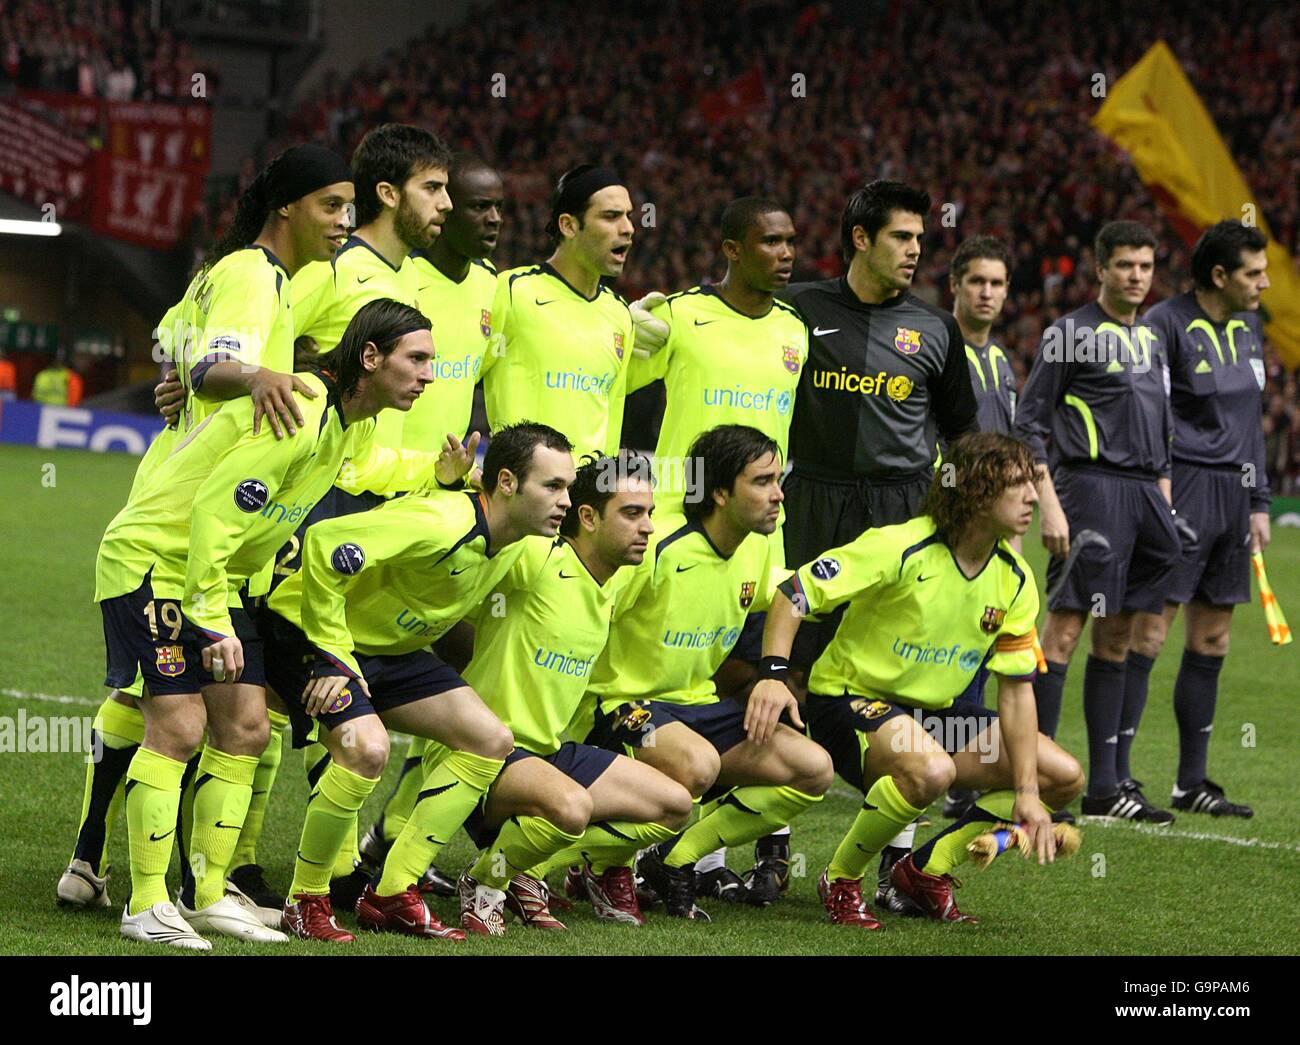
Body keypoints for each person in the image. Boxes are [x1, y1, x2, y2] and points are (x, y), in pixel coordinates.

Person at [57, 144, 355, 917]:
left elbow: (175, 350)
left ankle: (182, 883)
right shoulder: (256, 276)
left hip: (196, 517)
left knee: (228, 719)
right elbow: (209, 367)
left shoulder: (237, 277)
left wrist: (186, 377)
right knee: (179, 717)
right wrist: (248, 375)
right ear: (287, 206)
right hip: (182, 525)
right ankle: (152, 897)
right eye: (331, 205)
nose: (343, 221)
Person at [98, 298, 441, 948]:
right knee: (178, 722)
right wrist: (210, 614)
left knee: (248, 728)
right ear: (370, 357)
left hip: (215, 574)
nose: (429, 374)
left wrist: (440, 470)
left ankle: (203, 893)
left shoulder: (348, 424)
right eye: (417, 358)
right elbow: (215, 512)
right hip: (156, 559)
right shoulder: (304, 409)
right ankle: (145, 902)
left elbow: (360, 480)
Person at [262, 422, 576, 942]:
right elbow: (324, 542)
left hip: (392, 651)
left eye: (567, 487)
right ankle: (305, 900)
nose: (564, 500)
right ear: (505, 483)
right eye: (552, 486)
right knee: (367, 749)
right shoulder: (443, 520)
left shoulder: (522, 542)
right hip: (309, 632)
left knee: (490, 740)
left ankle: (392, 892)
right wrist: (333, 653)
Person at [754, 432, 1084, 927]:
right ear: (974, 490)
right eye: (1017, 484)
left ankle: (924, 872)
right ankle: (841, 879)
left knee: (1062, 777)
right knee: (932, 771)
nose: (1033, 497)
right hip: (848, 702)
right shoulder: (900, 545)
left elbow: (1016, 692)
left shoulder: (1014, 577)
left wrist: (1027, 792)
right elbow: (796, 591)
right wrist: (775, 675)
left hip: (935, 716)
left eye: (1032, 483)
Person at [625, 196, 806, 902]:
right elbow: (619, 382)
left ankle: (702, 854)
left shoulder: (795, 331)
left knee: (763, 687)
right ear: (732, 248)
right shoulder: (677, 315)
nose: (787, 252)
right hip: (680, 529)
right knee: (670, 682)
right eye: (771, 240)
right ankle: (615, 833)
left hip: (764, 541)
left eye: (792, 239)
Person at [587, 424, 834, 921]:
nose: (778, 494)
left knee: (814, 769)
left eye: (778, 479)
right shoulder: (660, 546)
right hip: (625, 705)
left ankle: (672, 860)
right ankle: (598, 859)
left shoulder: (755, 547)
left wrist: (773, 673)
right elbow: (592, 612)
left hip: (697, 705)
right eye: (762, 482)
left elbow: (793, 593)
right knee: (699, 766)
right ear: (720, 492)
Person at [455, 453, 694, 934]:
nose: (647, 527)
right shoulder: (538, 557)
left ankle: (530, 868)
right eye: (631, 513)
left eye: (650, 513)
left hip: (547, 753)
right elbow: (478, 546)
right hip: (486, 753)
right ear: (586, 517)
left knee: (675, 805)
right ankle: (484, 881)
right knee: (571, 807)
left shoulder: (611, 582)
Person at [1015, 219, 1180, 823]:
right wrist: (1049, 500)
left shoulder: (1155, 340)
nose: (1136, 276)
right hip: (1088, 490)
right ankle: (1041, 786)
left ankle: (1107, 788)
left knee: (1118, 635)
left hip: (1143, 497)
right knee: (1063, 633)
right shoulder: (1070, 334)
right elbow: (1030, 421)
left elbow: (1162, 430)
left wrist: (1163, 497)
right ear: (1100, 269)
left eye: (1145, 266)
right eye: (1125, 266)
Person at [1126, 221, 1272, 818]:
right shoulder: (1165, 324)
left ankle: (1192, 783)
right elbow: (1149, 413)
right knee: (1149, 633)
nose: (1264, 282)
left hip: (1234, 496)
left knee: (1213, 636)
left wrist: (1259, 499)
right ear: (1219, 276)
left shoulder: (1250, 325)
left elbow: (1252, 420)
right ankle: (1117, 780)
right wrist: (1157, 493)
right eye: (1253, 273)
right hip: (1181, 487)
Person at [483, 164, 636, 460]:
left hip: (585, 497)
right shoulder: (513, 292)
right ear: (568, 225)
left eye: (629, 216)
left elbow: (612, 414)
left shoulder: (620, 313)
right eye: (611, 216)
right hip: (522, 492)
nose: (628, 228)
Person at [943, 233, 1018, 819]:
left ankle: (966, 774)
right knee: (947, 646)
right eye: (977, 282)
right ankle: (942, 770)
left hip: (991, 530)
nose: (988, 293)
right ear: (956, 287)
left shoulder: (1000, 360)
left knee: (984, 644)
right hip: (950, 525)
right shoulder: (943, 351)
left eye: (996, 283)